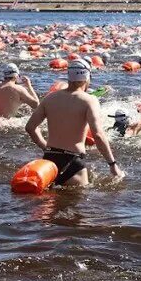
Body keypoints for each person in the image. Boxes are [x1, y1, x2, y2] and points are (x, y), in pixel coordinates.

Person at [24, 59, 124, 187]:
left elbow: (30, 127)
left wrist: (44, 146)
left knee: (50, 203)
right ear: (87, 78)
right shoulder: (89, 100)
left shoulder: (50, 98)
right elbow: (98, 135)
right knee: (78, 203)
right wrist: (112, 164)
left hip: (49, 160)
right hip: (72, 161)